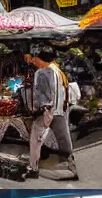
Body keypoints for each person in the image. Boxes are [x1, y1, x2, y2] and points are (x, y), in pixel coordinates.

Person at [27, 46, 78, 179]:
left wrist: (45, 109)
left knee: (36, 138)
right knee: (63, 139)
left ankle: (34, 168)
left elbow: (51, 93)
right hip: (57, 110)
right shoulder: (55, 69)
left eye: (36, 58)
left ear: (41, 59)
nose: (34, 61)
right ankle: (70, 165)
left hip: (50, 111)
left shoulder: (47, 71)